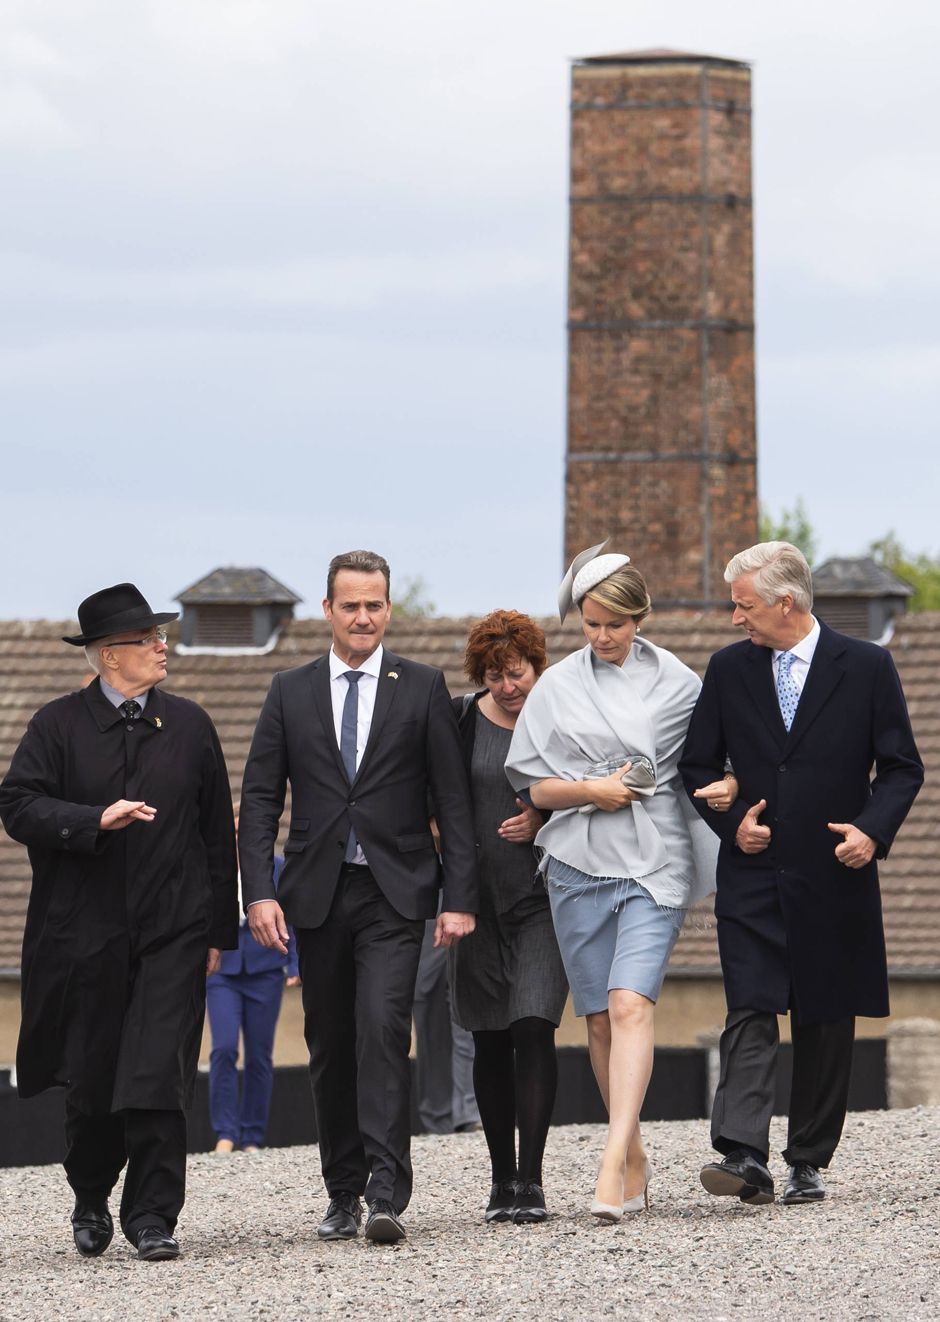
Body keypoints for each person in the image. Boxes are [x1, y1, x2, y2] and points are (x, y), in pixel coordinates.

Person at [238, 549, 478, 1244]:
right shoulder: (289, 690)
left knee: (382, 1027)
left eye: (375, 605)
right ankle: (341, 1192)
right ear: (328, 610)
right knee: (330, 1041)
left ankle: (384, 1192)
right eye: (351, 605)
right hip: (315, 894)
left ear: (388, 609)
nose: (364, 617)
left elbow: (452, 800)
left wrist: (458, 896)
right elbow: (259, 800)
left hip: (394, 891)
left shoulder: (422, 687)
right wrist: (258, 893)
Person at [679, 541, 923, 1206]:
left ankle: (808, 1160)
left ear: (785, 603)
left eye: (744, 605)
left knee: (825, 1012)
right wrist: (734, 825)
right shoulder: (729, 669)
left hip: (834, 872)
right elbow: (696, 764)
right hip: (752, 873)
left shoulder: (867, 666)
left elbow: (902, 767)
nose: (736, 618)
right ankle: (742, 1152)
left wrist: (872, 831)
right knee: (750, 1005)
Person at [0, 583, 237, 1262]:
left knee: (160, 1073)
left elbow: (214, 832)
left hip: (173, 931)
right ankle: (90, 1196)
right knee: (95, 1079)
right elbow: (17, 805)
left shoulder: (190, 725)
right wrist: (91, 819)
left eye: (161, 635)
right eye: (148, 638)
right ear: (110, 655)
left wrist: (218, 932)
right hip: (85, 936)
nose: (163, 646)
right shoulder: (57, 726)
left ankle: (153, 1216)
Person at [506, 544, 730, 1222]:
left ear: (641, 618)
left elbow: (715, 755)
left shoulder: (681, 684)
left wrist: (731, 786)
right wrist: (590, 791)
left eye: (616, 624)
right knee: (599, 1018)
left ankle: (609, 1162)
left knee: (632, 1003)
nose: (602, 637)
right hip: (577, 861)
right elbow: (533, 785)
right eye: (591, 624)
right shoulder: (556, 686)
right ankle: (632, 1152)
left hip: (656, 860)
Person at [446, 610, 569, 1225]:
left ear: (536, 667)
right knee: (489, 1036)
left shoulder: (562, 716)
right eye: (494, 676)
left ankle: (533, 1180)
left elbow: (589, 790)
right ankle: (501, 1181)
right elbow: (437, 793)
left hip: (543, 899)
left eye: (516, 672)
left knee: (532, 1025)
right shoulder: (461, 719)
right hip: (476, 903)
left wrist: (544, 818)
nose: (507, 686)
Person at [206, 818, 300, 1155]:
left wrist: (295, 963)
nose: (237, 837)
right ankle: (225, 1133)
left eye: (242, 830)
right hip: (222, 970)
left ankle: (252, 1137)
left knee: (260, 1056)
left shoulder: (277, 867)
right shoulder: (213, 868)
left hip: (265, 969)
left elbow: (293, 917)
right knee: (223, 1049)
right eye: (232, 831)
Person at [412, 924, 480, 1136]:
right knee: (427, 1007)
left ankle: (472, 1111)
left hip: (473, 912)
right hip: (423, 913)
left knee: (469, 1000)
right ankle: (439, 1118)